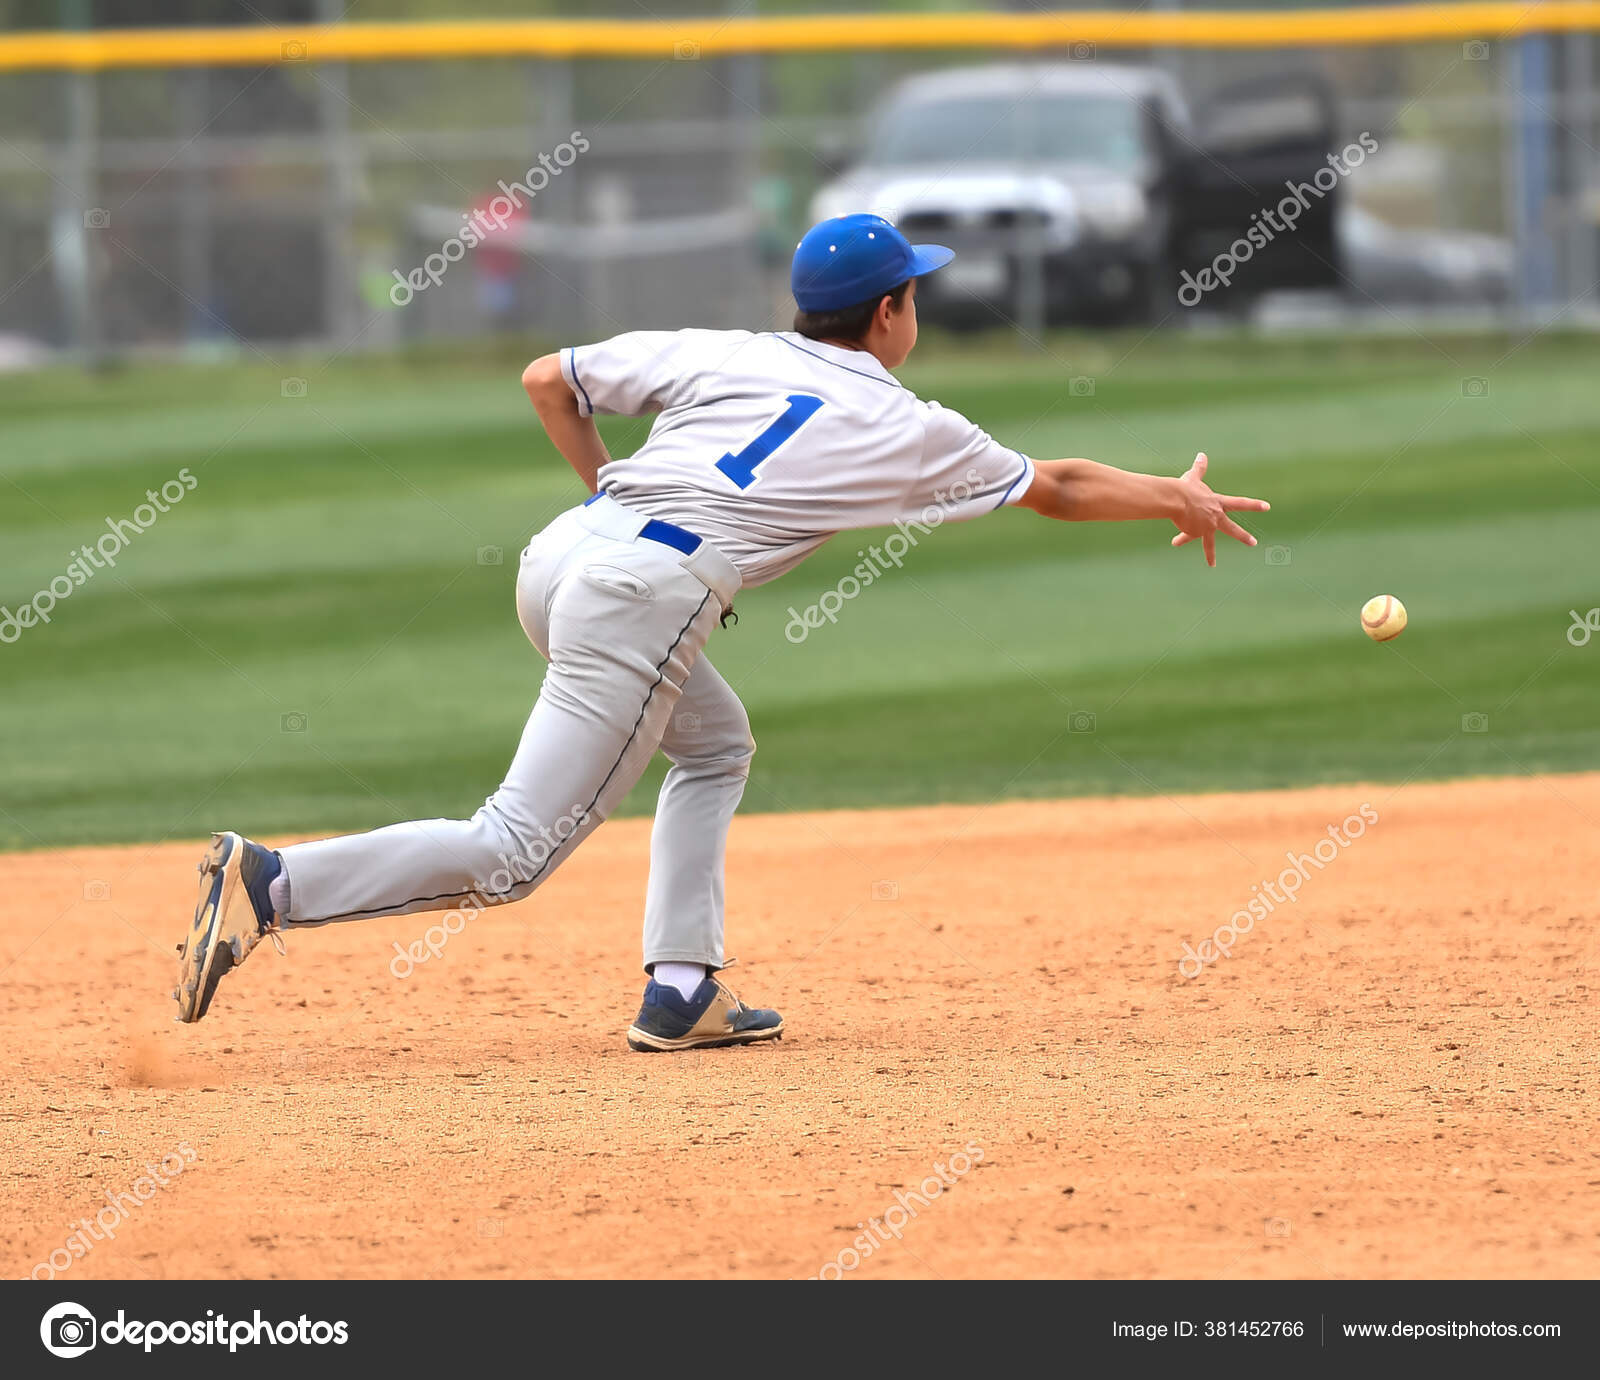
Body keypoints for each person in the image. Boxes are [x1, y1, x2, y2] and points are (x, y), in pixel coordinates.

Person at [174, 212, 1268, 1051]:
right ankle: (272, 883)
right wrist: (1177, 496)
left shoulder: (727, 350)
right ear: (889, 315)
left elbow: (546, 378)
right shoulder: (906, 423)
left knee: (714, 745)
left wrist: (608, 497)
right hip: (640, 595)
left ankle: (683, 988)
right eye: (913, 294)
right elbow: (1060, 484)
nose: (915, 309)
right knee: (510, 852)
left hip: (562, 556)